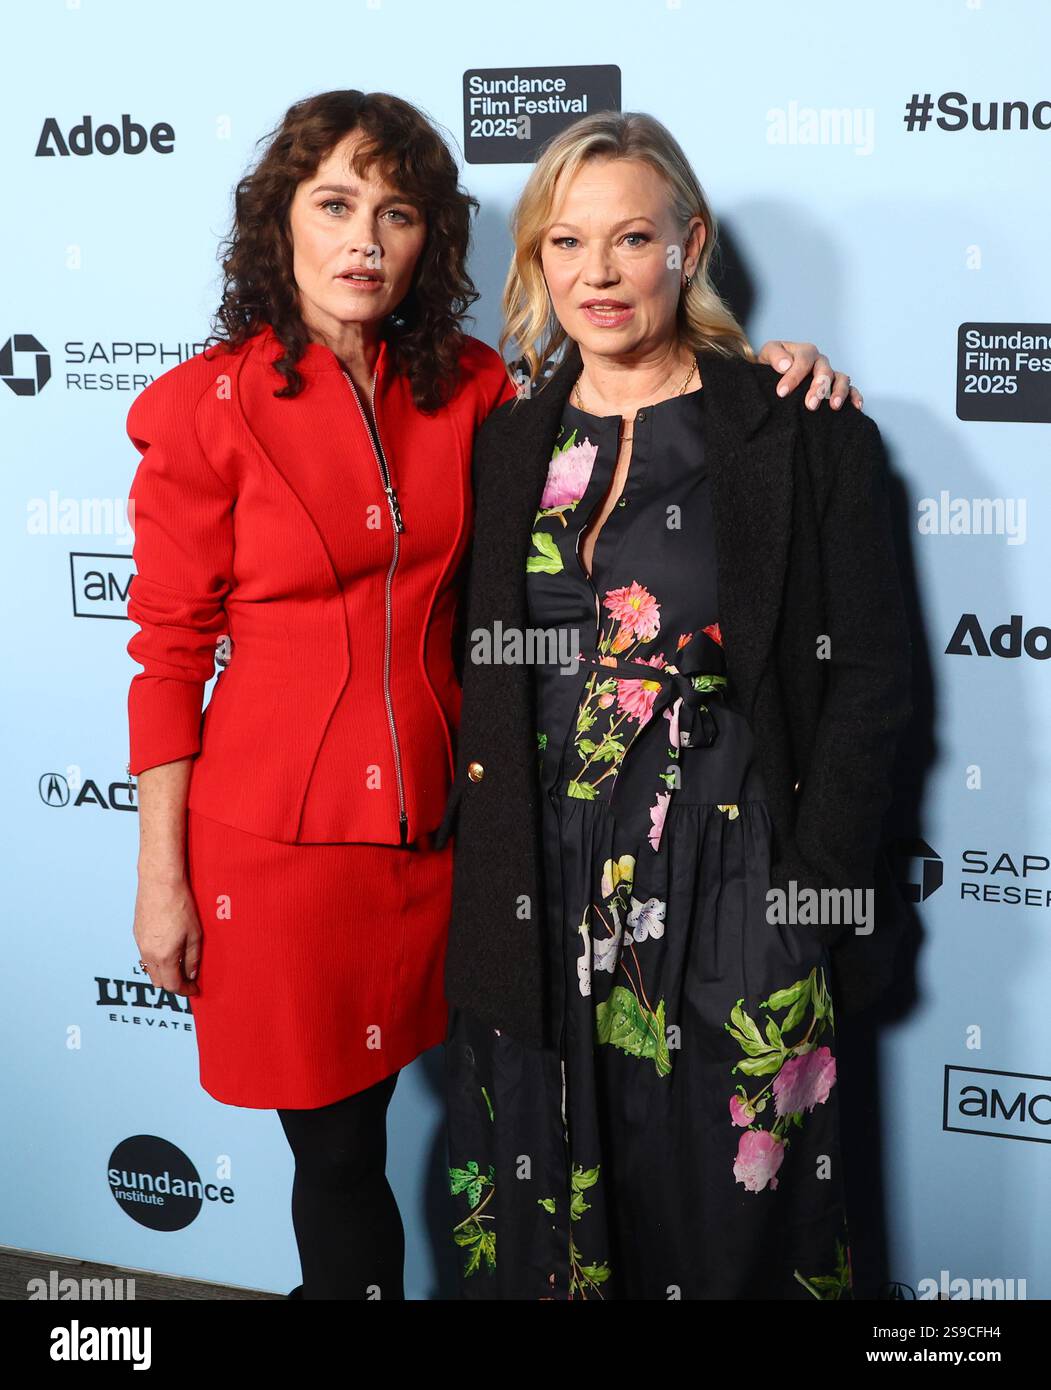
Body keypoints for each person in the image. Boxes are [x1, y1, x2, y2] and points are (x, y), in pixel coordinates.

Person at [126, 88, 856, 1301]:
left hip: (456, 843)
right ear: (281, 226)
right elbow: (164, 653)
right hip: (283, 848)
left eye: (396, 211)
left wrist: (782, 366)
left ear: (429, 241)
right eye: (334, 205)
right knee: (341, 1151)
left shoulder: (473, 390)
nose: (364, 239)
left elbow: (648, 397)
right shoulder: (207, 408)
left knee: (530, 1113)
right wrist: (161, 880)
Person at [438, 111, 912, 1300]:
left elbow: (870, 682)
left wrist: (806, 890)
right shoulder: (506, 445)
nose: (596, 273)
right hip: (538, 887)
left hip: (735, 880)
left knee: (733, 1219)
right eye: (565, 242)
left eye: (630, 237)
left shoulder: (800, 431)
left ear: (685, 246)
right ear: (538, 261)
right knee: (556, 1209)